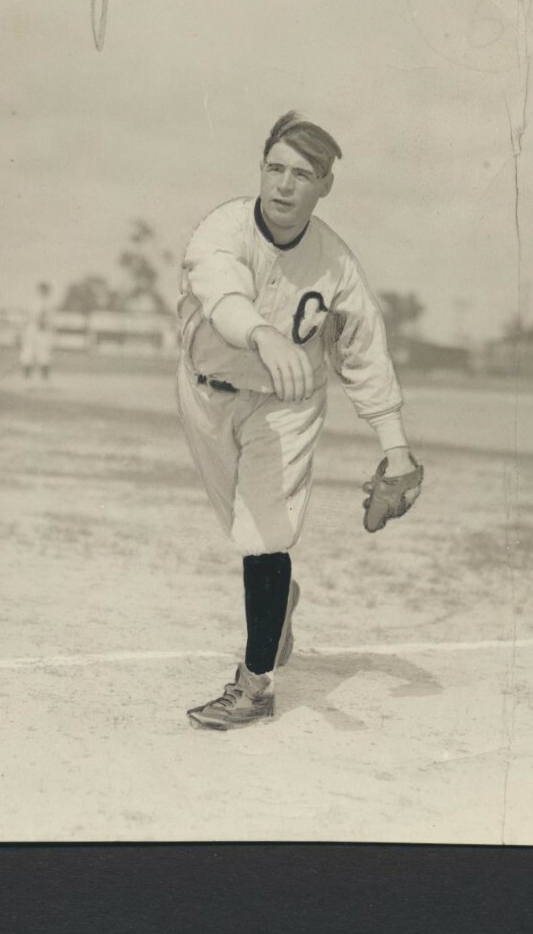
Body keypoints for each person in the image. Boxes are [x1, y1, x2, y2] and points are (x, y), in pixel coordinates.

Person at [175, 111, 420, 730]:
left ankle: (255, 686)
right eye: (274, 168)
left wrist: (395, 449)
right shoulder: (221, 229)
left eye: (303, 174)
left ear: (325, 185)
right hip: (205, 393)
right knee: (240, 524)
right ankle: (277, 599)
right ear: (261, 170)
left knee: (263, 533)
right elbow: (226, 299)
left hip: (288, 404)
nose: (284, 186)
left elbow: (364, 351)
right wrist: (263, 335)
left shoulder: (336, 264)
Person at [19, 281, 56, 383]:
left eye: (46, 289)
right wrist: (41, 322)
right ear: (39, 290)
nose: (44, 291)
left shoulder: (47, 302)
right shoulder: (37, 301)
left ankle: (43, 377)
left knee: (43, 352)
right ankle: (27, 376)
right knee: (30, 351)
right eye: (43, 289)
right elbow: (37, 316)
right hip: (35, 328)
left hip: (40, 329)